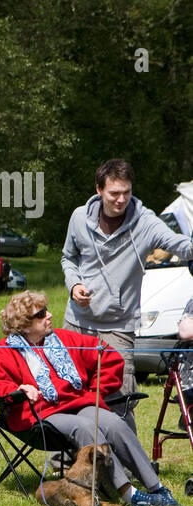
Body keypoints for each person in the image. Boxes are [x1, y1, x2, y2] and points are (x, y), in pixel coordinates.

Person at [0, 291, 178, 506]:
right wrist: (19, 388)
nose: (49, 315)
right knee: (85, 426)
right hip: (40, 413)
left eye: (46, 310)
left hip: (77, 403)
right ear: (25, 325)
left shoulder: (65, 339)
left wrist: (94, 389)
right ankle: (127, 493)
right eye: (41, 314)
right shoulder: (4, 350)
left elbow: (108, 356)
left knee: (114, 423)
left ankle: (157, 488)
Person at [62, 158, 193, 431]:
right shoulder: (78, 218)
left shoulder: (145, 223)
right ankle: (63, 464)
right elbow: (68, 258)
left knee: (120, 399)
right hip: (76, 324)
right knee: (69, 393)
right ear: (99, 190)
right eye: (114, 193)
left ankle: (124, 467)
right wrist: (74, 286)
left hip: (118, 327)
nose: (121, 200)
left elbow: (179, 245)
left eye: (127, 192)